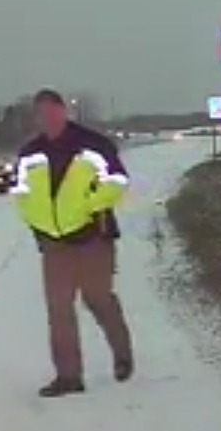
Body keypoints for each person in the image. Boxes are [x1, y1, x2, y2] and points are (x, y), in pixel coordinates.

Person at [12, 88, 134, 397]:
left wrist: (89, 206)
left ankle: (122, 354)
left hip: (93, 236)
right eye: (42, 114)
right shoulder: (29, 154)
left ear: (64, 111)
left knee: (98, 300)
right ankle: (68, 376)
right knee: (59, 310)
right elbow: (21, 193)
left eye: (53, 111)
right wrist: (36, 223)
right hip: (54, 243)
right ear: (37, 117)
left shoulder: (92, 145)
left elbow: (118, 182)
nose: (49, 118)